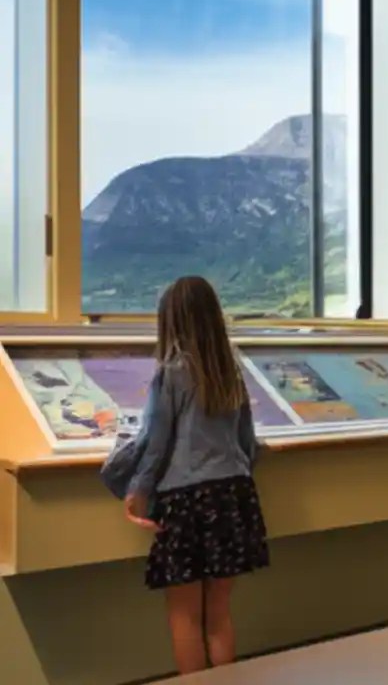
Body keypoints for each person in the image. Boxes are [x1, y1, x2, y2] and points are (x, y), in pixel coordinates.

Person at [122, 276, 268, 674]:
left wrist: (137, 490)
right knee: (219, 613)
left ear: (171, 320)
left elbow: (155, 441)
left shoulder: (171, 373)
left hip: (186, 501)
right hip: (234, 494)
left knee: (184, 615)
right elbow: (248, 442)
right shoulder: (230, 372)